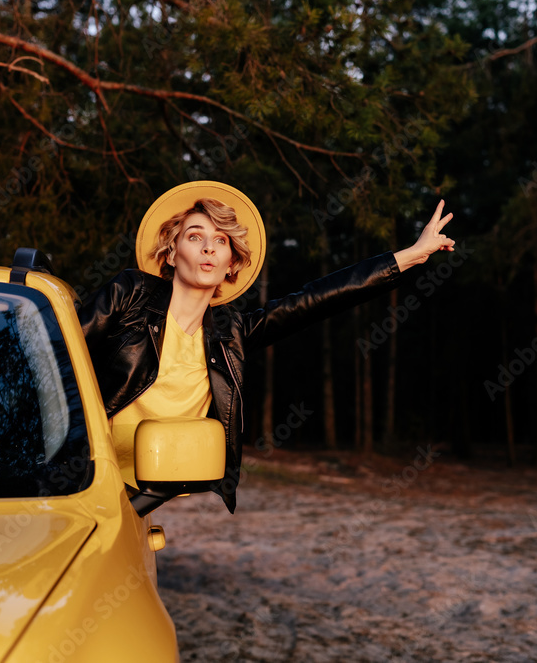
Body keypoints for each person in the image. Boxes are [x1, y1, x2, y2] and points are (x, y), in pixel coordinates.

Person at [78, 181, 455, 513]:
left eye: (220, 240)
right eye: (194, 236)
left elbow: (315, 299)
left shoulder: (233, 334)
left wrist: (411, 255)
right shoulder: (130, 295)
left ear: (231, 264)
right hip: (80, 476)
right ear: (173, 254)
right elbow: (60, 347)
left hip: (144, 497)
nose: (208, 248)